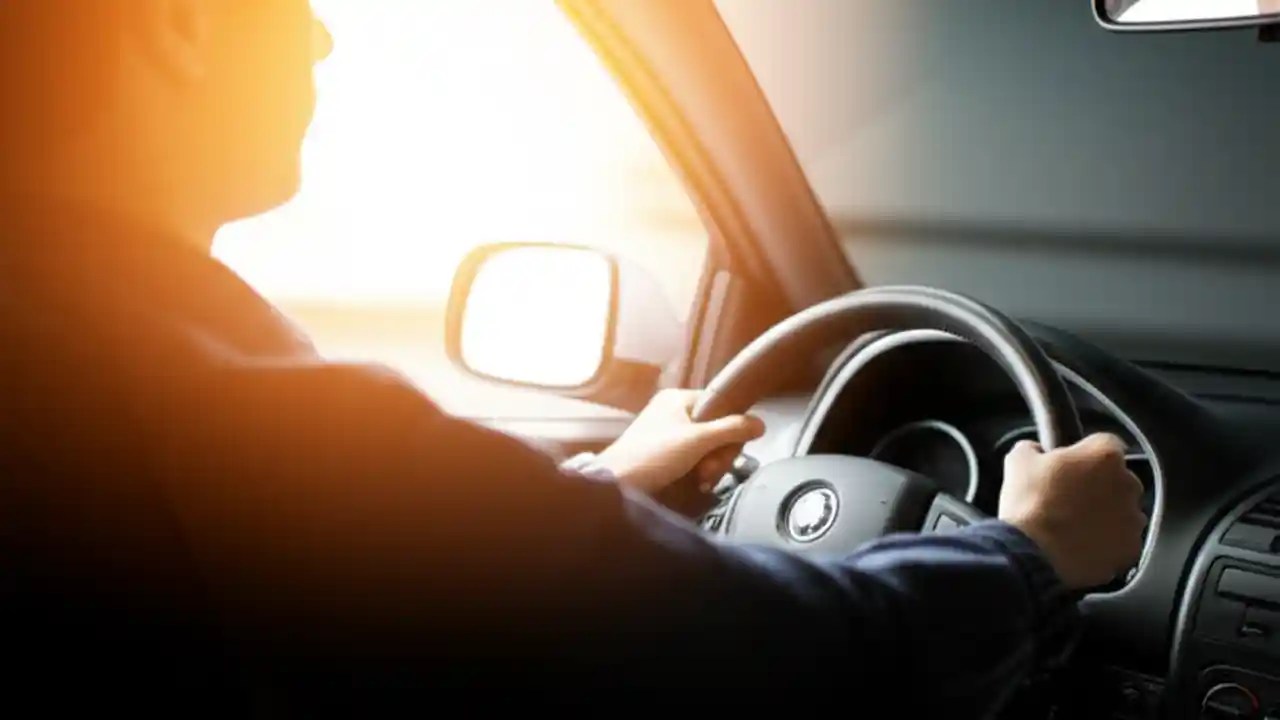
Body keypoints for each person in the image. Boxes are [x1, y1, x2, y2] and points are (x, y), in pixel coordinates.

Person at [0, 1, 1146, 716]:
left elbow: (426, 591)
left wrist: (599, 492)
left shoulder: (77, 368)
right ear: (177, 24)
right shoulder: (226, 417)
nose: (318, 32)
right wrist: (1035, 555)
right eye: (288, 4)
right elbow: (803, 671)